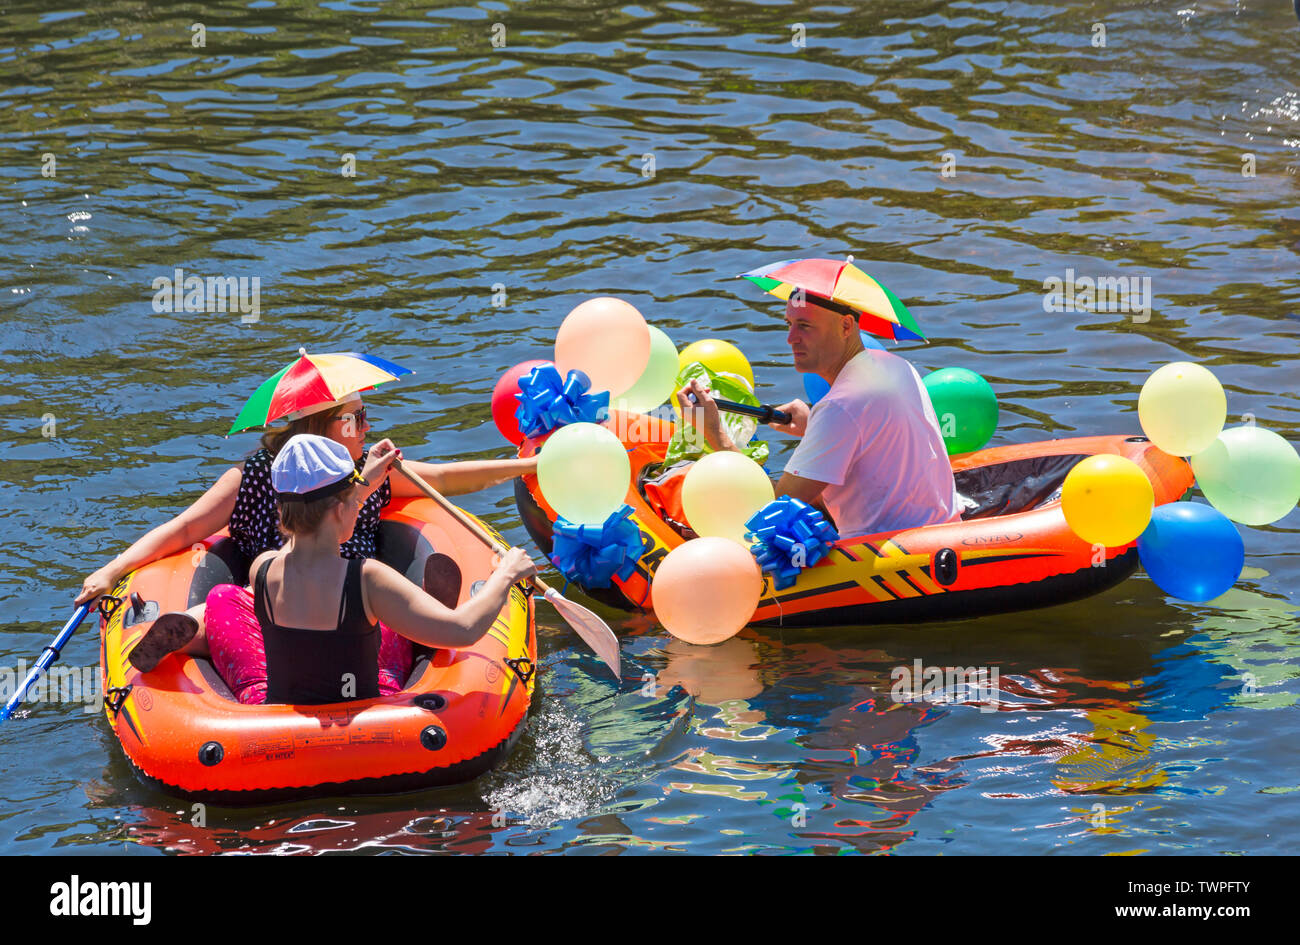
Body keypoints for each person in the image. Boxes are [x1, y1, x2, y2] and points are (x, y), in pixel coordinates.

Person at [128, 434, 539, 705]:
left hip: (273, 708)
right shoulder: (370, 578)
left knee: (223, 598)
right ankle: (422, 621)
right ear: (343, 508)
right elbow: (463, 631)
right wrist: (506, 574)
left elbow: (316, 522)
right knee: (398, 620)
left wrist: (356, 491)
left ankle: (194, 634)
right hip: (369, 705)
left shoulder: (263, 569)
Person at [77, 389, 537, 605]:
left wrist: (528, 465)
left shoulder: (368, 470)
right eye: (356, 418)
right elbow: (184, 528)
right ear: (326, 428)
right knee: (229, 606)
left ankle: (418, 618)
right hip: (281, 599)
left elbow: (446, 477)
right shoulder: (253, 477)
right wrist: (112, 569)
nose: (367, 427)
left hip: (346, 595)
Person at [676, 294, 960, 538]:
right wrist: (814, 427)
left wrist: (713, 432)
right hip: (942, 533)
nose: (790, 339)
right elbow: (874, 443)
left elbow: (770, 506)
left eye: (805, 326)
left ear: (846, 325)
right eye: (789, 324)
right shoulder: (897, 366)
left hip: (893, 557)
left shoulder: (840, 407)